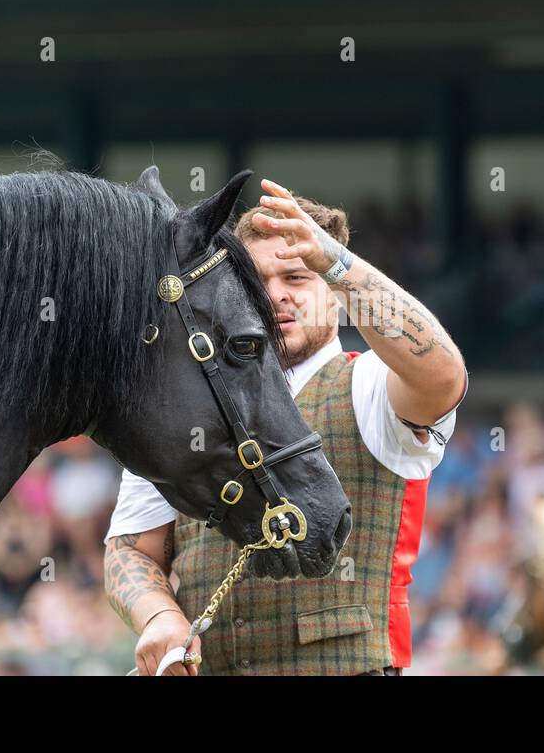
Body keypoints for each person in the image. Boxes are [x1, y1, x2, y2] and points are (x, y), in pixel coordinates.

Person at [104, 179, 467, 675]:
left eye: (297, 277)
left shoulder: (368, 384)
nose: (276, 295)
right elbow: (130, 550)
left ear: (336, 298)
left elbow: (444, 375)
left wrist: (336, 263)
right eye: (257, 281)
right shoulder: (184, 407)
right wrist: (159, 616)